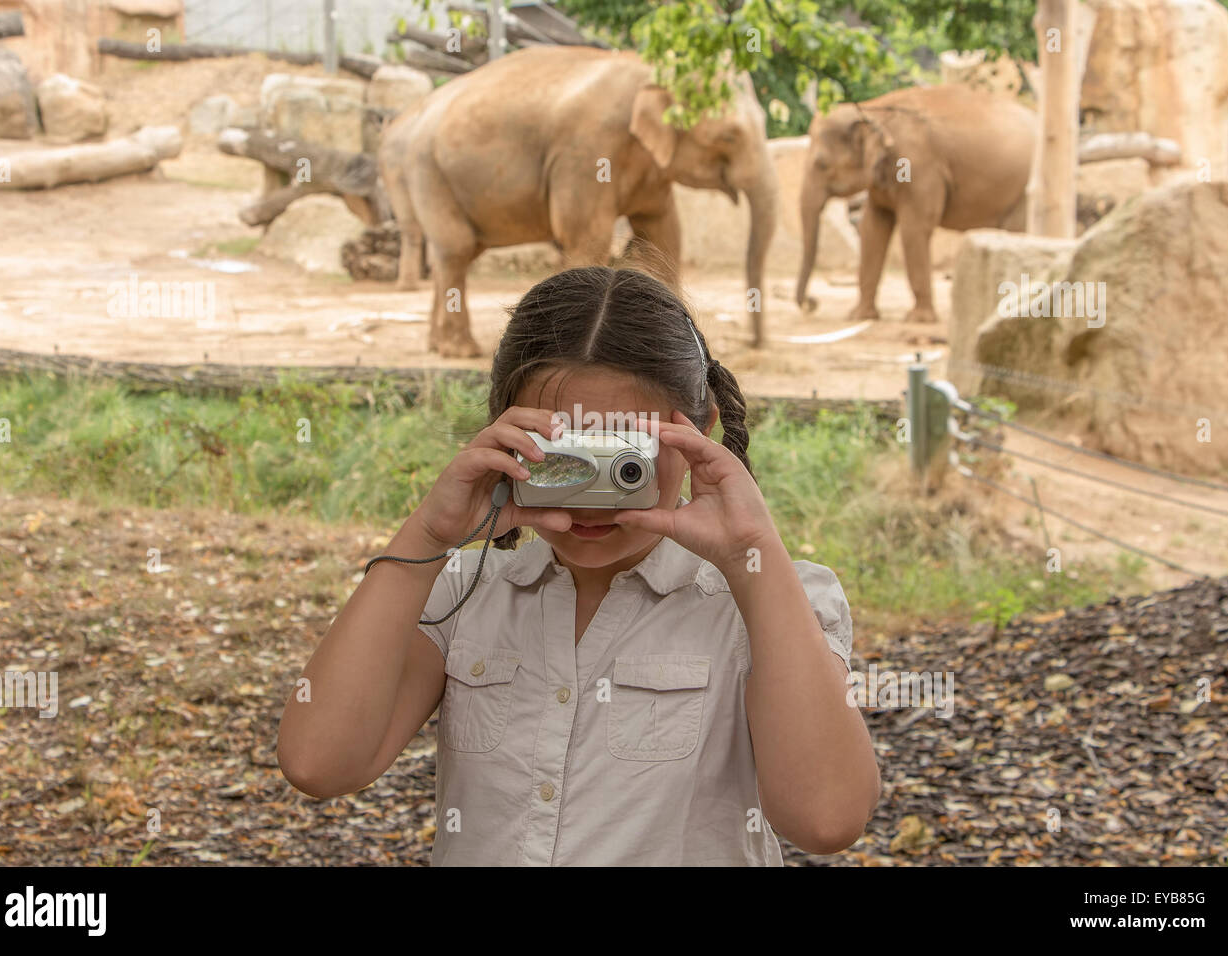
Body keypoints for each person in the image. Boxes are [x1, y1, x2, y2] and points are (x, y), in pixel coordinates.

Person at [277, 266, 881, 865]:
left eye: (624, 459)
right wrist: (430, 535)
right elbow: (319, 763)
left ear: (700, 433)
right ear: (504, 436)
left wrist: (754, 553)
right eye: (562, 457)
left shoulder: (770, 601)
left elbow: (827, 818)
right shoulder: (461, 594)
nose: (590, 494)